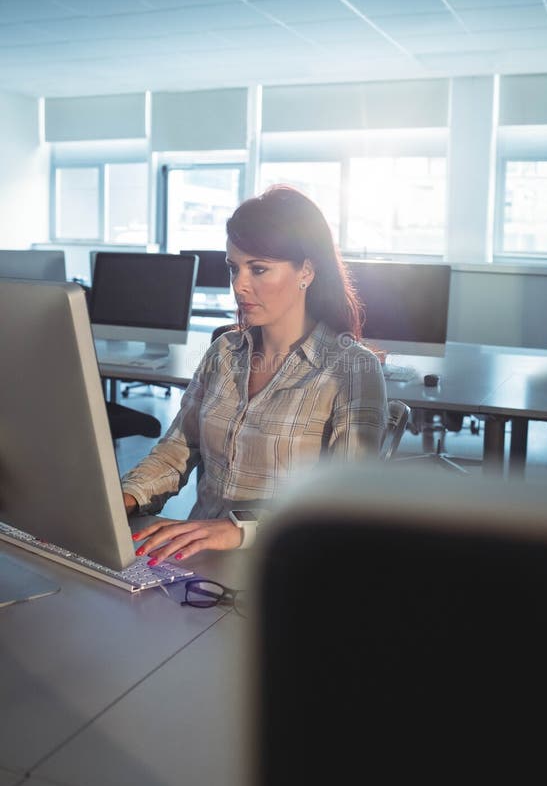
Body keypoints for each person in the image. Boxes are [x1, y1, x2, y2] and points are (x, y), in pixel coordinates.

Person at [123, 185, 388, 563]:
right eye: (234, 268)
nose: (238, 285)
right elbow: (177, 451)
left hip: (285, 567)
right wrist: (125, 497)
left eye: (259, 269)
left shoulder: (352, 370)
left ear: (307, 271)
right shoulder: (224, 354)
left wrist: (238, 529)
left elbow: (346, 505)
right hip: (197, 559)